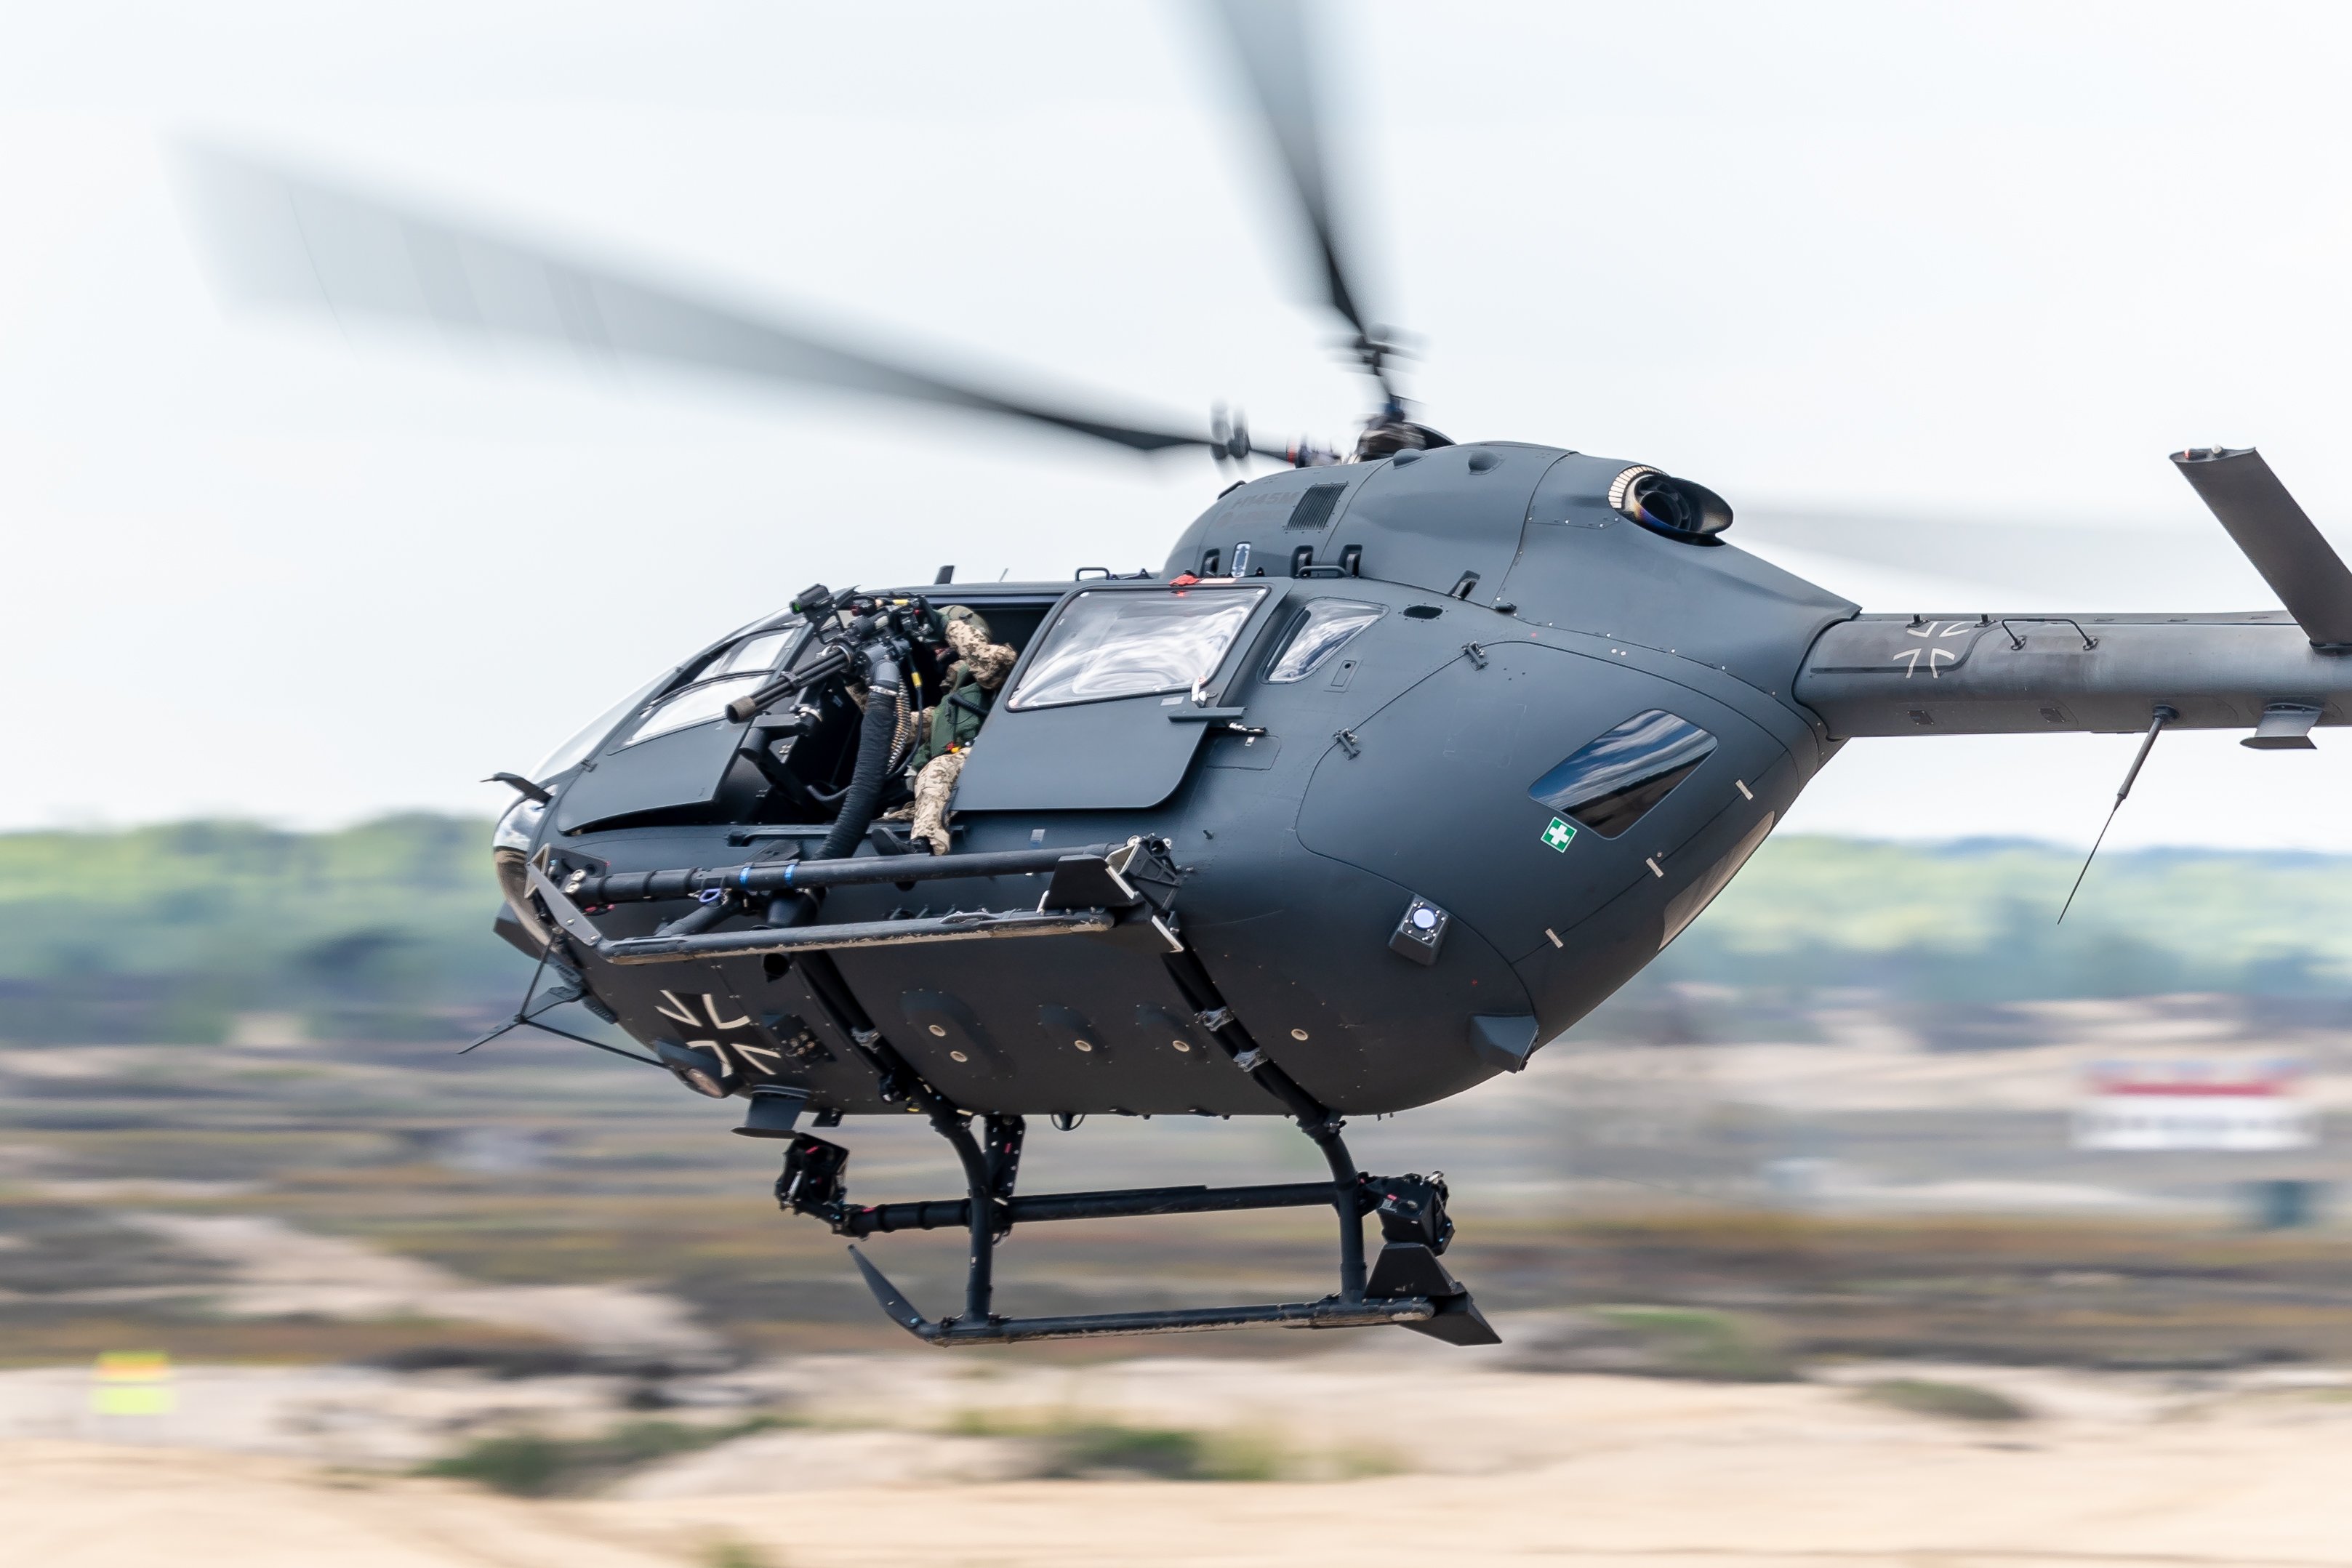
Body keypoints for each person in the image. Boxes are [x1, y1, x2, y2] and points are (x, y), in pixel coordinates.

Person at [899, 605, 1017, 854]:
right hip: (955, 775)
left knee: (938, 768)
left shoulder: (1007, 668)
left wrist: (947, 626)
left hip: (993, 762)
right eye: (934, 646)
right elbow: (895, 729)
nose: (938, 649)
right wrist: (858, 683)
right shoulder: (948, 704)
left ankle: (924, 849)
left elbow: (990, 665)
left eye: (943, 641)